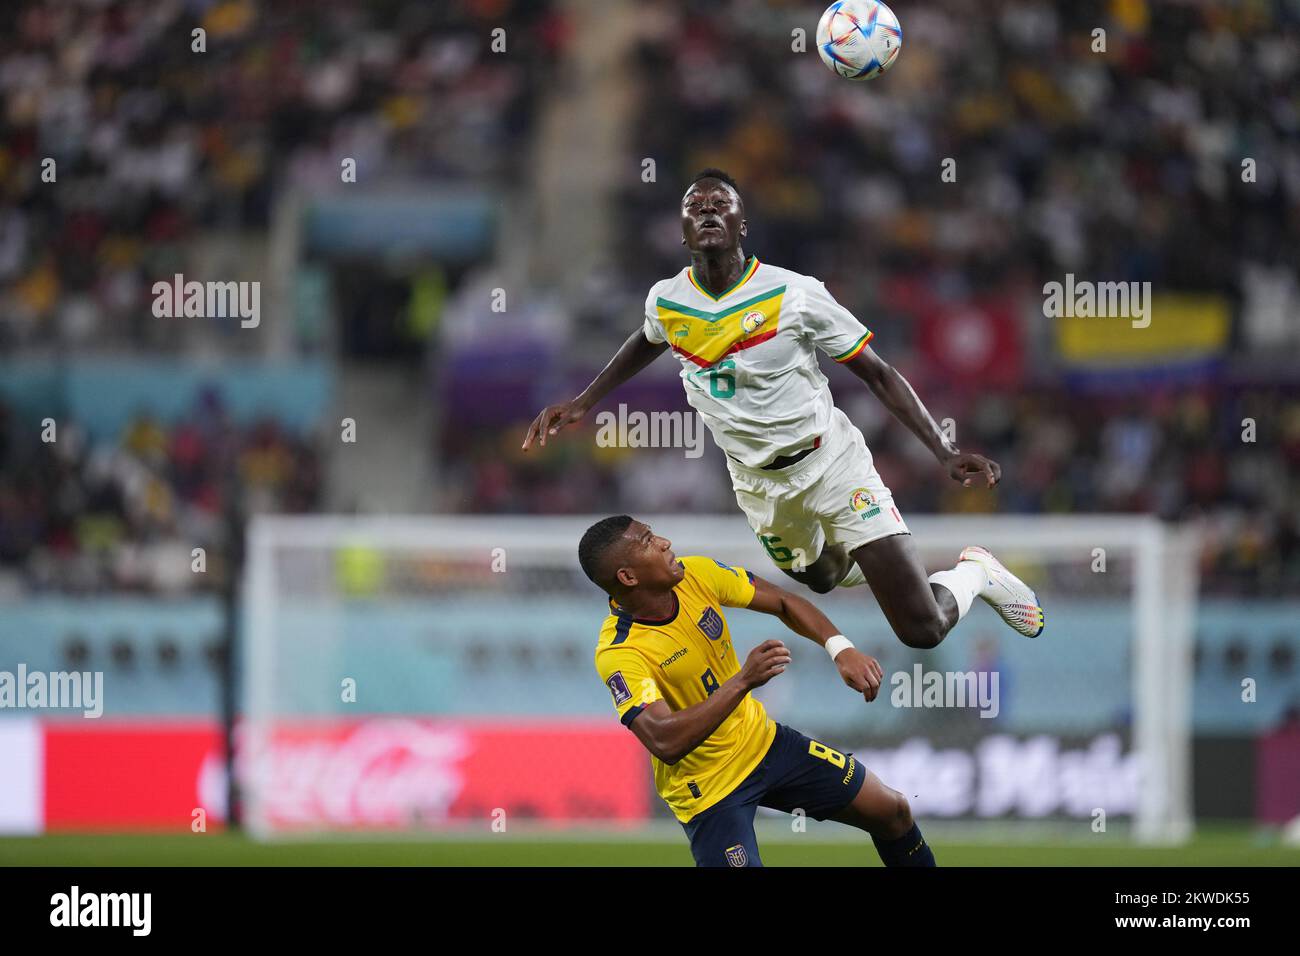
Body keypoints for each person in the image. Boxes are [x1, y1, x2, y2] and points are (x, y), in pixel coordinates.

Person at [526, 168, 1044, 648]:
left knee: (923, 630)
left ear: (741, 224)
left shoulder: (795, 294)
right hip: (758, 483)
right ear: (682, 231)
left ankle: (972, 572)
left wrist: (945, 450)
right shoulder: (666, 299)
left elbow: (879, 373)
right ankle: (884, 557)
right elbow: (648, 338)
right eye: (694, 205)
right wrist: (584, 401)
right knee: (819, 577)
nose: (707, 211)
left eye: (720, 204)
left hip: (831, 463)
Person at [584, 514, 936, 867]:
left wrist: (840, 648)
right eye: (647, 541)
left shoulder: (697, 575)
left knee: (892, 811)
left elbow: (784, 601)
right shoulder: (621, 653)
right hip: (708, 788)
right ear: (628, 577)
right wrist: (743, 681)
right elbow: (664, 741)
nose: (664, 542)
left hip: (764, 743)